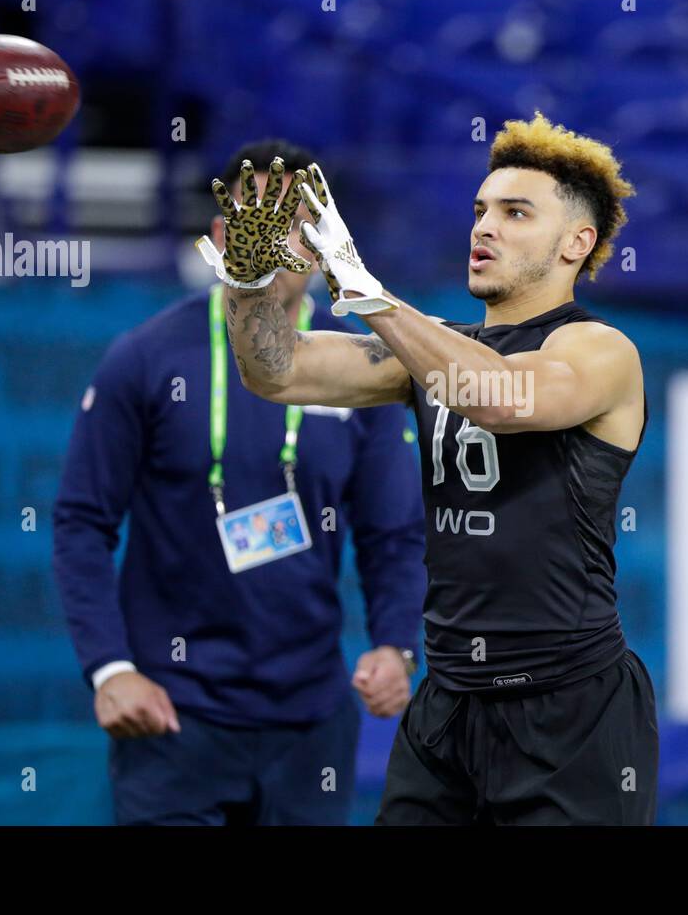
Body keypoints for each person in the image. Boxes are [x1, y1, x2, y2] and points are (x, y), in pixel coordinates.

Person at [205, 112, 657, 825]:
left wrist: (363, 289)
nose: (485, 227)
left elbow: (500, 397)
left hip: (570, 706)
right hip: (449, 702)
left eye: (515, 213)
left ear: (578, 243)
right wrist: (254, 275)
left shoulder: (602, 350)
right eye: (480, 210)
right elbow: (277, 370)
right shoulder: (436, 346)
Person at [52, 138, 426, 826]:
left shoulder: (359, 369)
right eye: (256, 219)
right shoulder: (146, 358)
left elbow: (392, 532)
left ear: (318, 247)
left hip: (309, 718)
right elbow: (81, 522)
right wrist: (110, 668)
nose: (277, 241)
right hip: (174, 714)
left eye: (293, 225)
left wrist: (394, 644)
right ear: (221, 235)